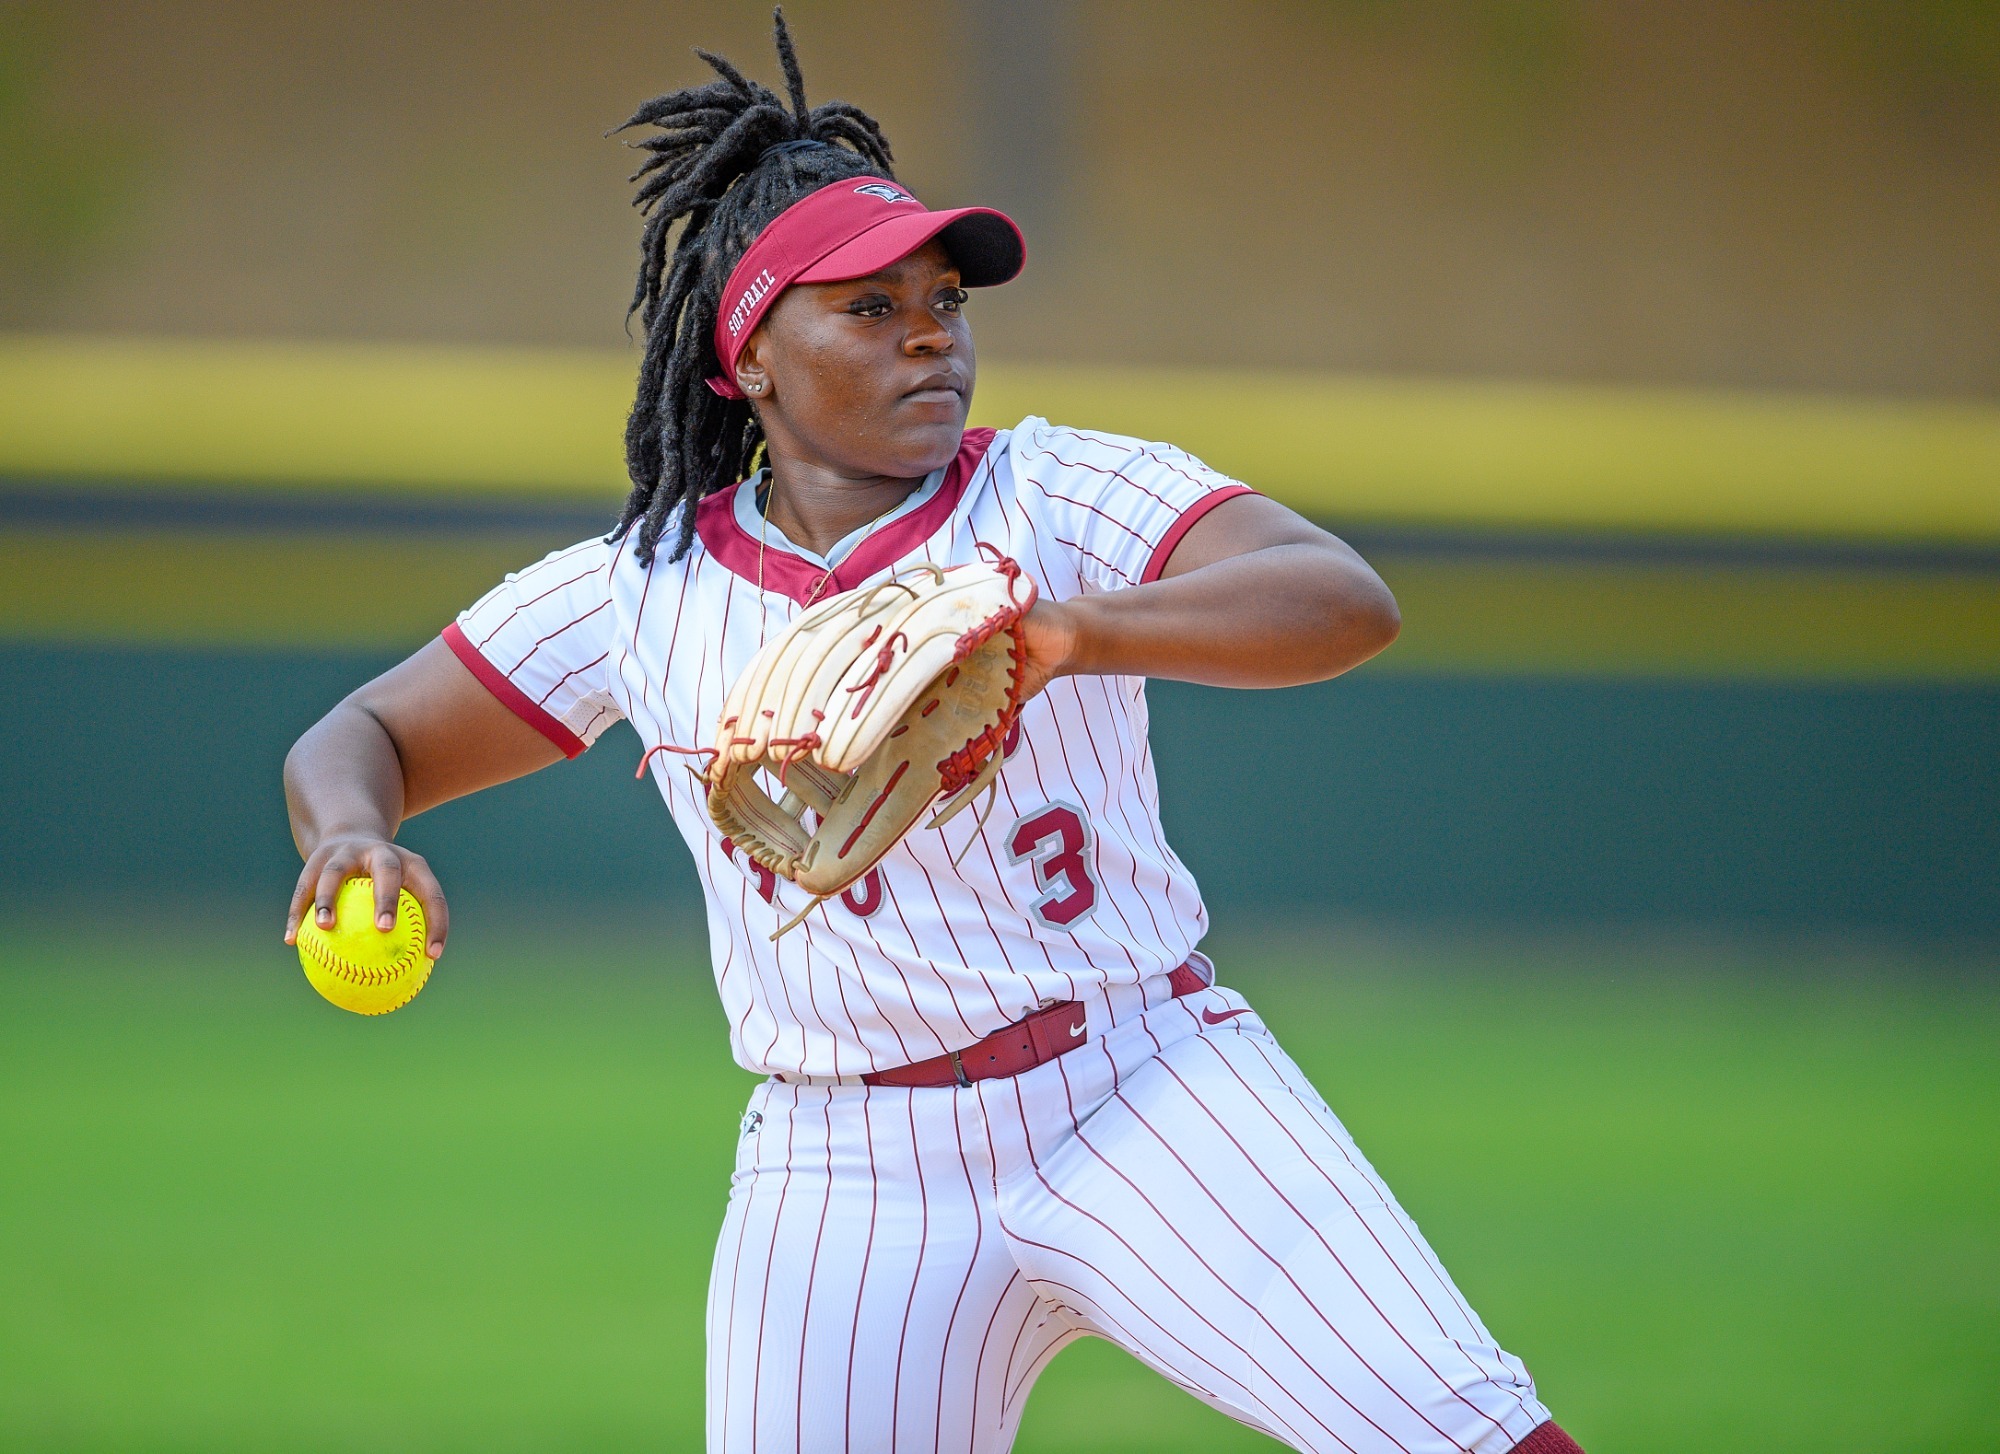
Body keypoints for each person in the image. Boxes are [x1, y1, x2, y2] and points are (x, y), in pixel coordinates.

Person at [282, 15, 1582, 1454]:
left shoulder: (1053, 494)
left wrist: (1070, 634)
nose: (927, 333)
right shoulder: (636, 592)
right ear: (746, 359)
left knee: (1474, 1438)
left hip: (1141, 1082)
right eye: (867, 306)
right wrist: (352, 830)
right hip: (848, 1167)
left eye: (944, 300)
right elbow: (369, 732)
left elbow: (1342, 600)